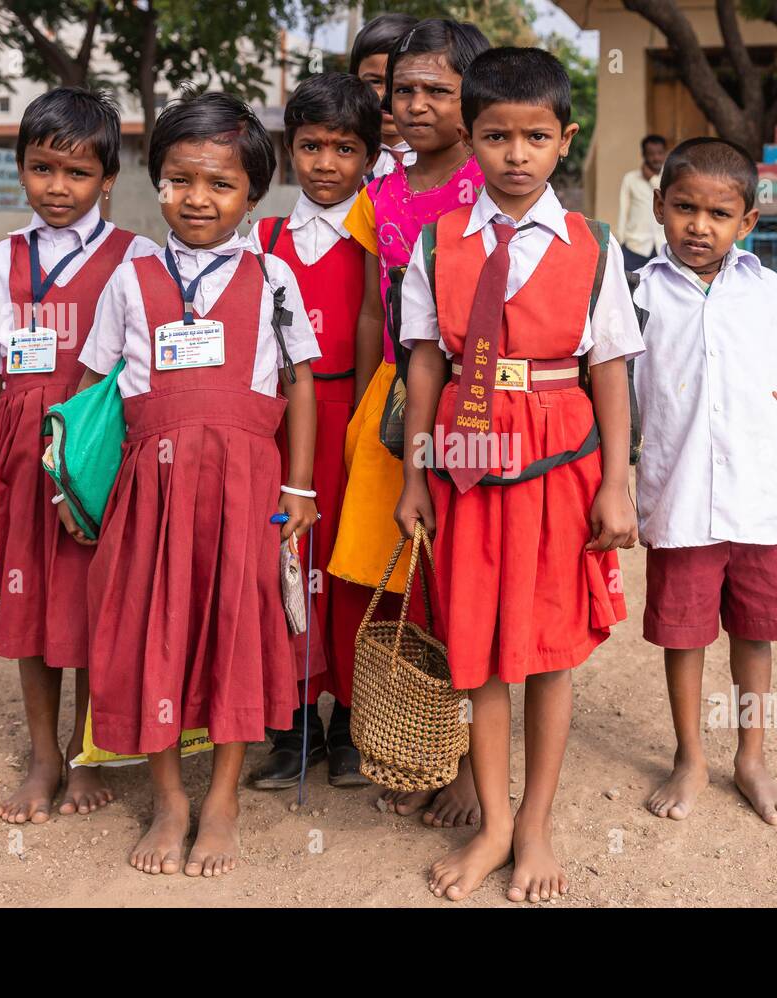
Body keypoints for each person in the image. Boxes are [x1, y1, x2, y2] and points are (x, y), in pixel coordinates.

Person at [396, 47, 643, 902]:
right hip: (467, 464)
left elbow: (609, 368)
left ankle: (534, 824)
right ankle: (494, 825)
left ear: (564, 140)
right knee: (480, 652)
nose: (515, 155)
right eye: (496, 136)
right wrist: (415, 474)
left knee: (545, 651)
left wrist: (617, 481)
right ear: (469, 139)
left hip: (559, 466)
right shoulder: (438, 244)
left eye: (535, 137)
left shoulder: (593, 246)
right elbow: (423, 365)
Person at [71, 90, 320, 877]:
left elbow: (301, 383)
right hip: (152, 489)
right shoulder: (130, 279)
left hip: (248, 485)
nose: (197, 198)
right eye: (180, 180)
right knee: (157, 629)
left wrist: (301, 488)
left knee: (236, 630)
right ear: (156, 182)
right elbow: (93, 390)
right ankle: (171, 799)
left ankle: (223, 800)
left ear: (252, 192)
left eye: (219, 184)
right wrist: (77, 484)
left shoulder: (274, 276)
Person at [0, 87, 160, 826]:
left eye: (77, 173)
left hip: (96, 455)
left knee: (91, 600)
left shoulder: (138, 257)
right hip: (18, 448)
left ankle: (83, 754)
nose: (58, 187)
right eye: (43, 169)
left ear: (108, 179)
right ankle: (42, 756)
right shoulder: (3, 259)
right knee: (31, 599)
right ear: (19, 170)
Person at [632, 137, 777, 826]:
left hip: (761, 501)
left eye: (719, 213)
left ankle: (751, 757)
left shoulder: (768, 291)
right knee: (685, 635)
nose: (699, 226)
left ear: (747, 222)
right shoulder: (639, 295)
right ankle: (690, 756)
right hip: (680, 501)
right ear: (659, 205)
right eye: (684, 208)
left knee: (755, 631)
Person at [332, 17, 490, 827]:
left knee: (466, 578)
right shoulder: (381, 195)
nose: (416, 105)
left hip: (475, 397)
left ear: (473, 102)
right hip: (396, 397)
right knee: (407, 575)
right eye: (404, 90)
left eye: (438, 91)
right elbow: (369, 312)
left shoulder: (490, 186)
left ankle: (468, 766)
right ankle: (418, 739)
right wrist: (368, 410)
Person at [252, 72, 381, 789]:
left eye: (344, 148)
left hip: (354, 424)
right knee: (287, 569)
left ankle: (352, 726)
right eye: (310, 146)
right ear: (288, 149)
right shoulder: (264, 235)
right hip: (286, 427)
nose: (326, 164)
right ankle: (292, 726)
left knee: (351, 571)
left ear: (369, 156)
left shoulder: (381, 238)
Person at [350, 12, 419, 181]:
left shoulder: (445, 159)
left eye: (402, 86)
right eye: (375, 82)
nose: (387, 97)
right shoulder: (339, 150)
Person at [617, 134, 667, 271]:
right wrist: (622, 241)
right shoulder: (630, 179)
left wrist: (651, 179)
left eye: (660, 153)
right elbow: (623, 211)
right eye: (651, 154)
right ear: (643, 154)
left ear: (665, 154)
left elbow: (666, 196)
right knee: (631, 289)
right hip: (634, 247)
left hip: (663, 246)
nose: (656, 157)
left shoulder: (669, 179)